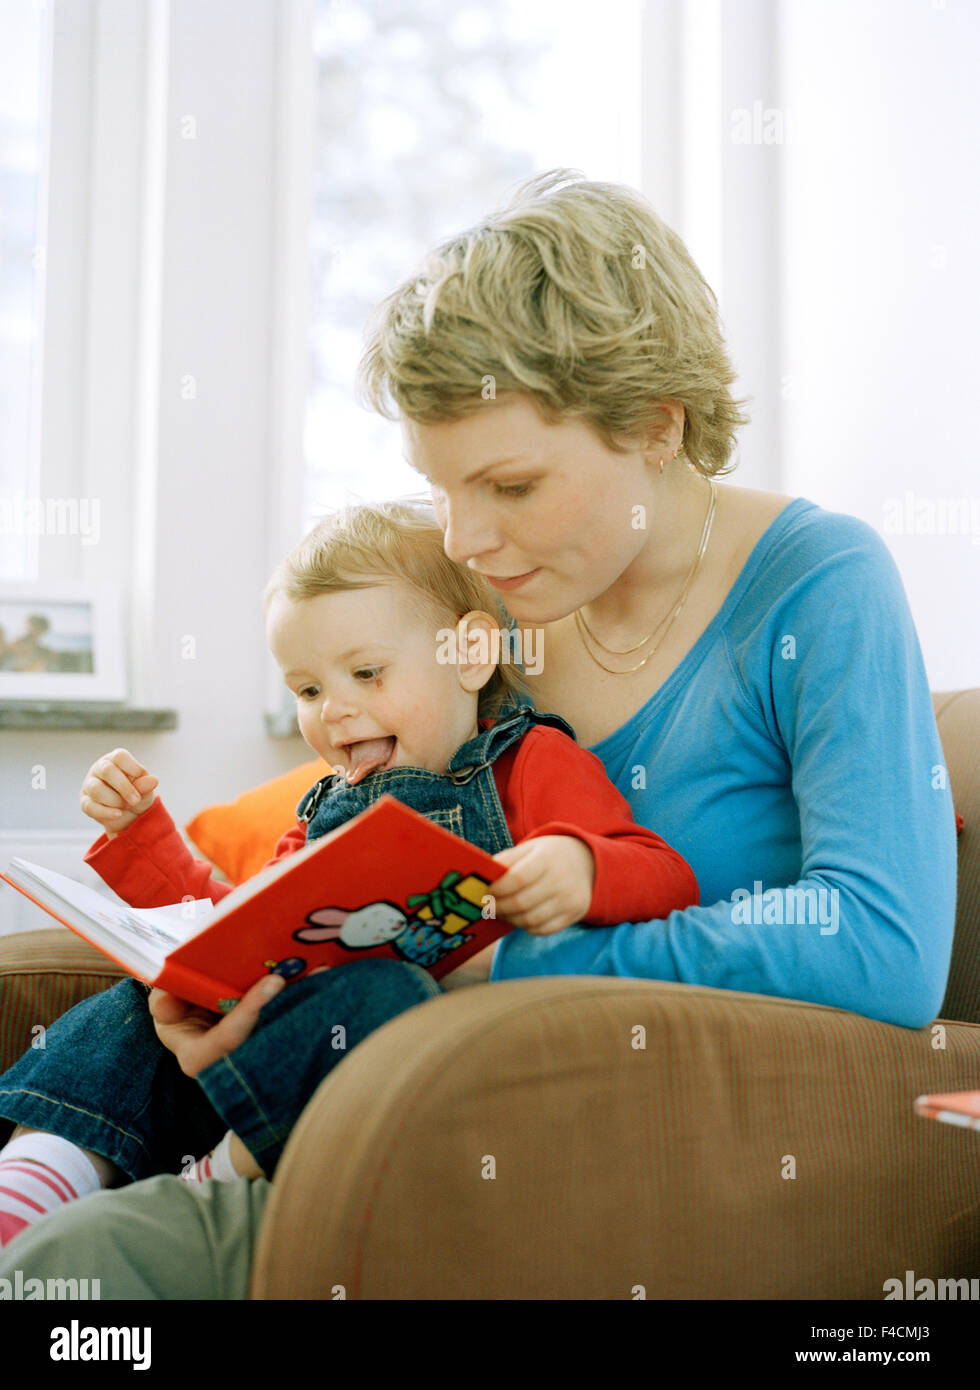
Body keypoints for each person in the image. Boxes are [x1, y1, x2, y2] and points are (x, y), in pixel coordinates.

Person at [0, 168, 956, 1297]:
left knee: (85, 1274)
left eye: (508, 484)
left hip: (582, 1132)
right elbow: (335, 829)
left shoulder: (816, 586)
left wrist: (502, 965)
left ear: (657, 425)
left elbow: (883, 949)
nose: (466, 535)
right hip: (362, 1082)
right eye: (440, 487)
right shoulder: (486, 616)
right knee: (68, 1251)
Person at [0, 498, 698, 1247]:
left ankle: (207, 1191)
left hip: (372, 1052)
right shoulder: (325, 806)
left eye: (366, 673)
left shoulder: (528, 762)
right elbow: (235, 925)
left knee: (380, 995)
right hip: (252, 1036)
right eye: (306, 690)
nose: (334, 711)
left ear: (470, 653)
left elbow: (666, 877)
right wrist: (142, 837)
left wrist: (582, 864)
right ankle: (40, 1174)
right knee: (145, 995)